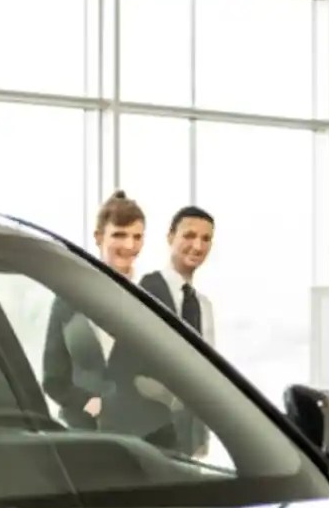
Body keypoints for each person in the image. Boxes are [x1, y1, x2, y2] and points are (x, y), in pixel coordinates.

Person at [42, 190, 146, 429]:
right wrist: (87, 402)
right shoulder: (68, 298)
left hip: (141, 437)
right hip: (83, 436)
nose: (130, 245)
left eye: (137, 236)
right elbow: (53, 380)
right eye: (119, 235)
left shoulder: (151, 299)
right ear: (99, 237)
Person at [138, 205, 216, 456]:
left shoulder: (203, 305)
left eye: (206, 239)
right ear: (170, 237)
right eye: (189, 236)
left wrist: (202, 434)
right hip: (152, 434)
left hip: (190, 438)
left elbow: (207, 373)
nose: (198, 246)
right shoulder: (146, 291)